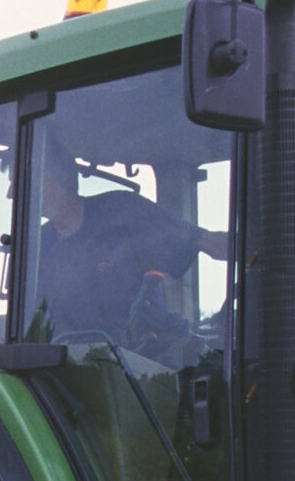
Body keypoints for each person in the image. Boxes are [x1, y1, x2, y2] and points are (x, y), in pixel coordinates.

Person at [30, 143, 230, 352]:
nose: (10, 194)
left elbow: (206, 242)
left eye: (14, 183)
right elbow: (35, 322)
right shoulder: (38, 246)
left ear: (46, 179)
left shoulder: (122, 211)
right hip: (79, 365)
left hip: (148, 360)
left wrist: (257, 253)